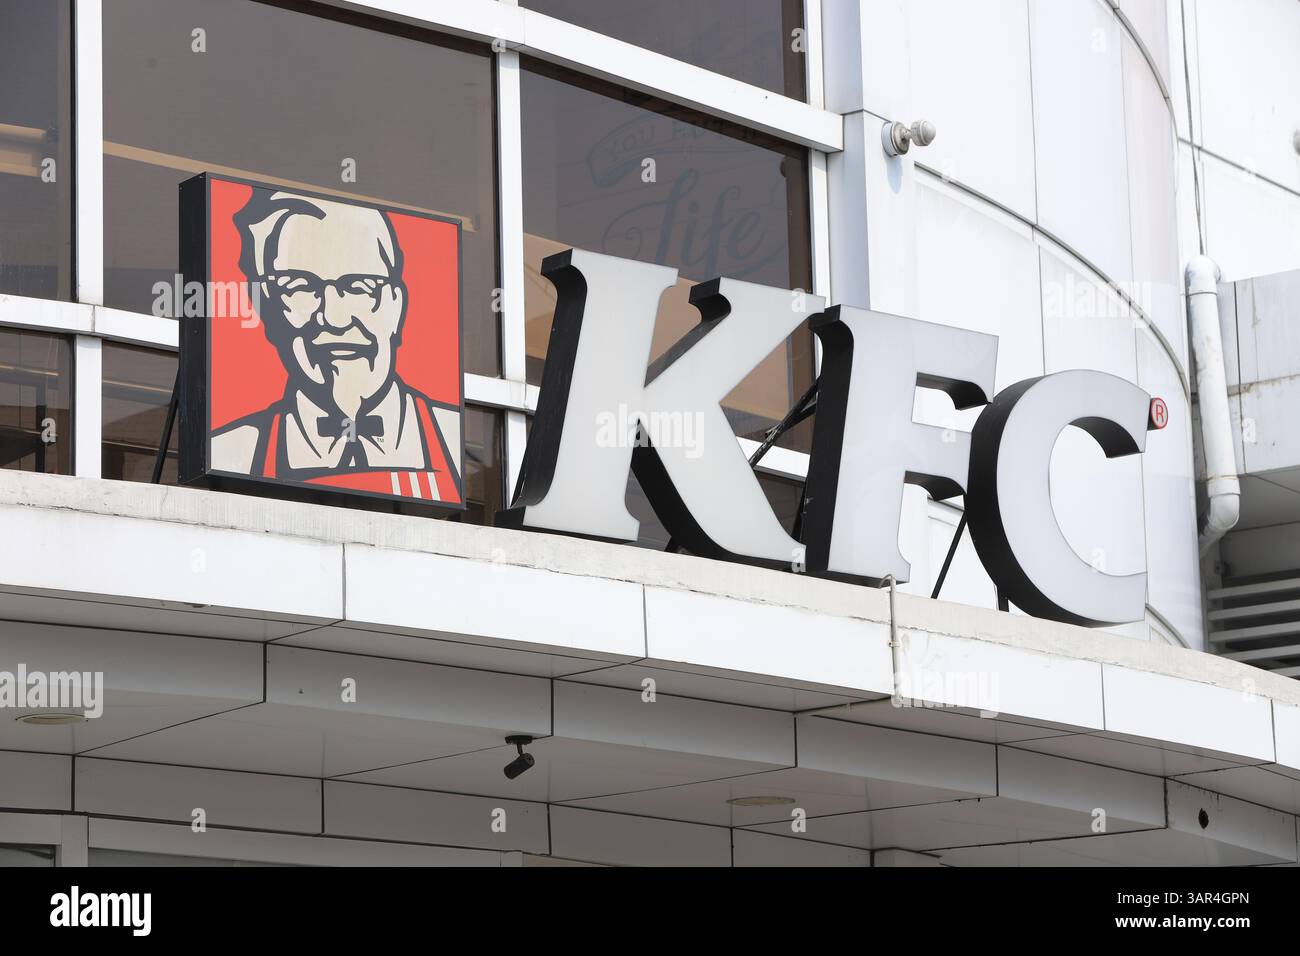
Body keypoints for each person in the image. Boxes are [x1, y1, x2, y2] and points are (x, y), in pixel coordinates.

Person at [211, 189, 461, 504]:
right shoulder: (232, 453)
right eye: (300, 287)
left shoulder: (453, 442)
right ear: (269, 312)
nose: (334, 317)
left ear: (396, 306)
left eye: (359, 287)